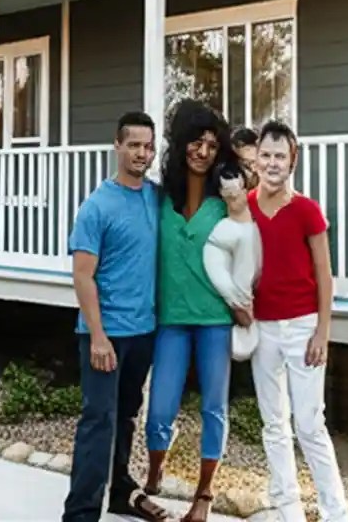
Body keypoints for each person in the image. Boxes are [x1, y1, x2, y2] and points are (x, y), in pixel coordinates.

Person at [143, 100, 247, 522]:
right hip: (171, 319)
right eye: (195, 142)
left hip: (214, 321)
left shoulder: (225, 202)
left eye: (211, 144)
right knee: (161, 407)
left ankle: (203, 495)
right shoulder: (159, 197)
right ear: (181, 143)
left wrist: (243, 300)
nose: (202, 151)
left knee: (214, 408)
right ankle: (152, 475)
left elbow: (248, 251)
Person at [63, 111, 170, 522]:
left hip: (144, 331)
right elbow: (82, 276)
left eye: (148, 146)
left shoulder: (155, 198)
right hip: (106, 335)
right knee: (97, 423)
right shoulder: (96, 206)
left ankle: (120, 492)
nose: (143, 153)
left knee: (126, 415)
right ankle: (80, 513)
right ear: (117, 147)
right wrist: (98, 336)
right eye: (134, 145)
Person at [248, 120, 348, 522]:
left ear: (293, 161)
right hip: (263, 330)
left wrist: (323, 331)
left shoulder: (307, 210)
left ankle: (335, 512)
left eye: (280, 156)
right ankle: (288, 510)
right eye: (266, 155)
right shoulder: (246, 208)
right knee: (274, 423)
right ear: (255, 159)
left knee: (309, 423)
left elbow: (324, 274)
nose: (272, 163)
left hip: (304, 327)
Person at [202, 163, 262, 362]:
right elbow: (218, 272)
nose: (234, 196)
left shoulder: (260, 226)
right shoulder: (223, 231)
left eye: (238, 190)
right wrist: (240, 305)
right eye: (227, 192)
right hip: (245, 308)